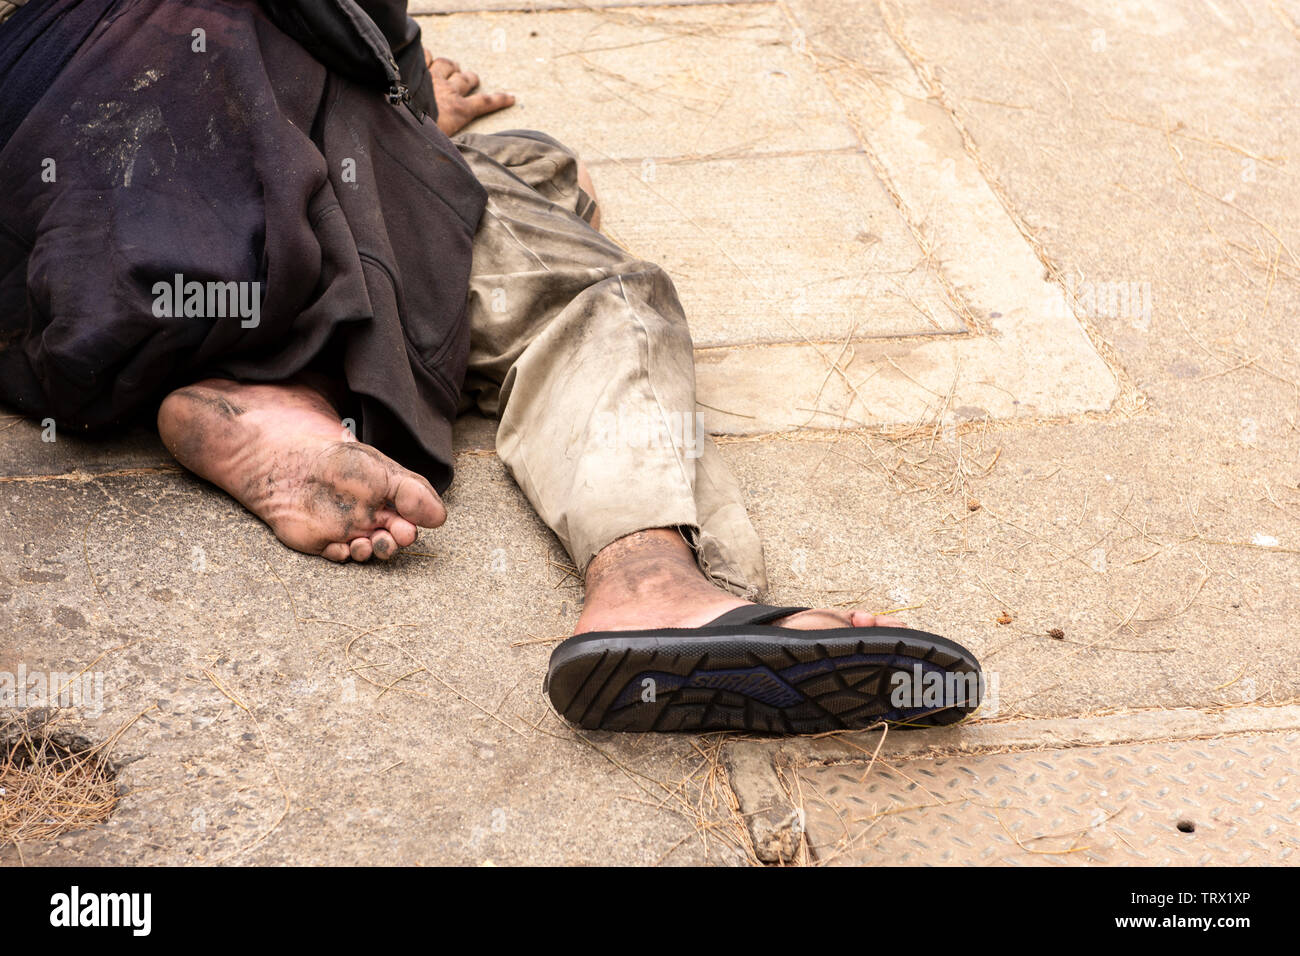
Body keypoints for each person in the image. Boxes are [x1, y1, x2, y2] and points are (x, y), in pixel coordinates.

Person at [0, 0, 981, 732]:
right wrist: (402, 92)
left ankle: (267, 385)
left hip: (56, 251)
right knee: (577, 278)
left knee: (526, 170)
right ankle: (649, 578)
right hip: (202, 116)